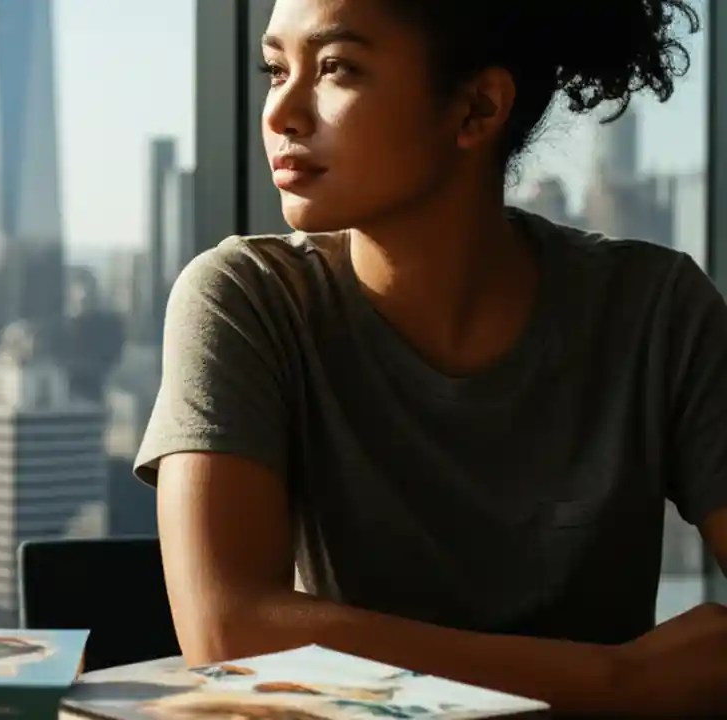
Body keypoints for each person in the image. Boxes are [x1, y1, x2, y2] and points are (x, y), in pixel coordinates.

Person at [134, 0, 727, 715]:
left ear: (477, 108)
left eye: (335, 69)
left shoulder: (656, 311)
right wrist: (620, 682)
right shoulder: (249, 299)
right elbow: (230, 633)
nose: (281, 112)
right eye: (274, 70)